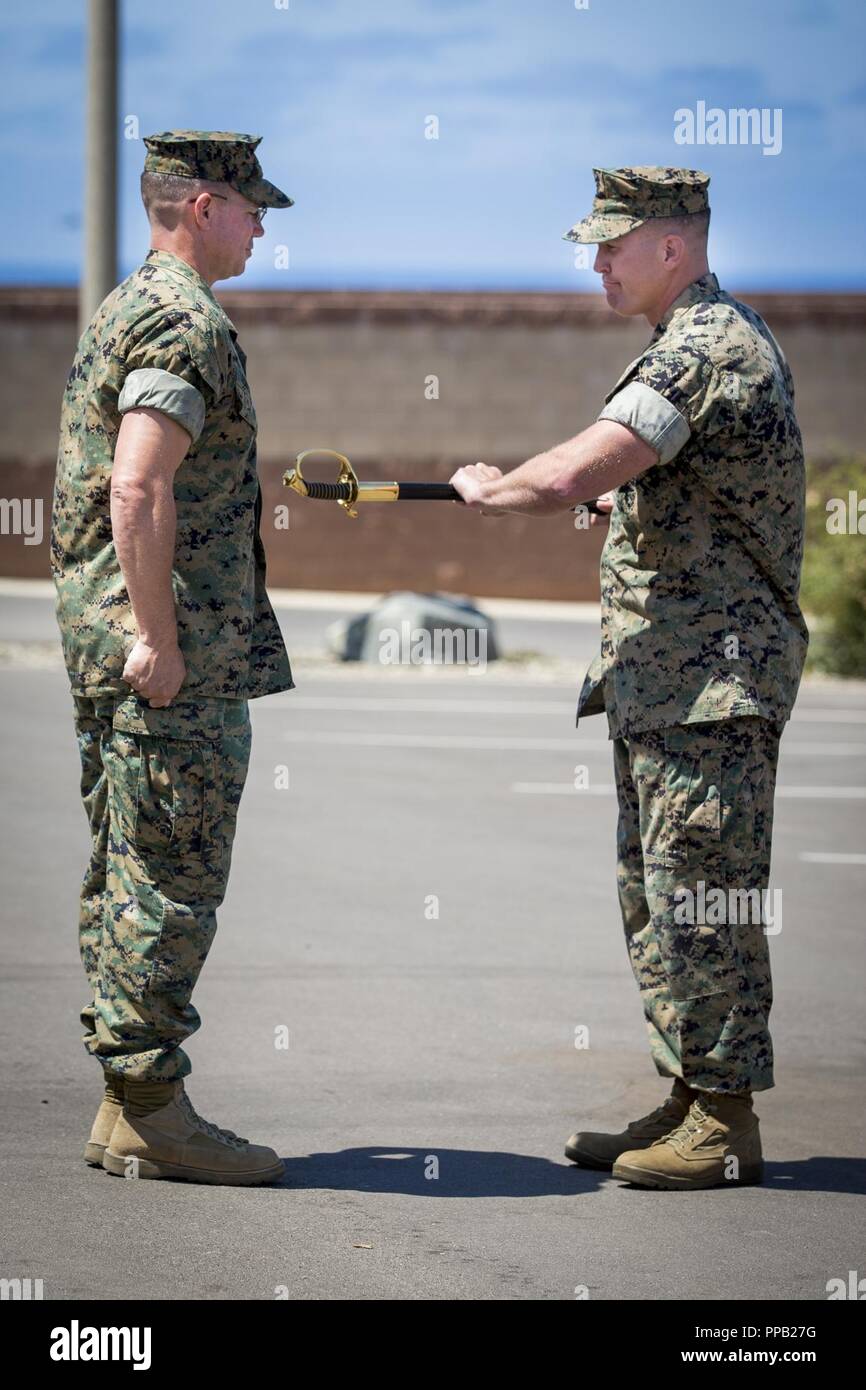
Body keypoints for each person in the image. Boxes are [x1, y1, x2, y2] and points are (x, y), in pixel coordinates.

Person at [450, 166, 808, 1190]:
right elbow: (671, 490)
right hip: (670, 681)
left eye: (610, 242)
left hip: (711, 687)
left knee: (702, 900)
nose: (594, 261)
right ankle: (689, 1091)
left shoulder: (701, 349)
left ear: (672, 244)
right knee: (659, 901)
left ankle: (722, 1119)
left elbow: (574, 472)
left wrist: (496, 489)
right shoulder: (690, 343)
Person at [50, 131, 295, 1186]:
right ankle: (153, 1103)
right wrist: (158, 634)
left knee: (128, 867)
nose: (260, 226)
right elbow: (139, 486)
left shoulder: (128, 301)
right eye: (251, 209)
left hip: (122, 643)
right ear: (201, 204)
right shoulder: (182, 321)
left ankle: (127, 1101)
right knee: (170, 876)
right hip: (165, 656)